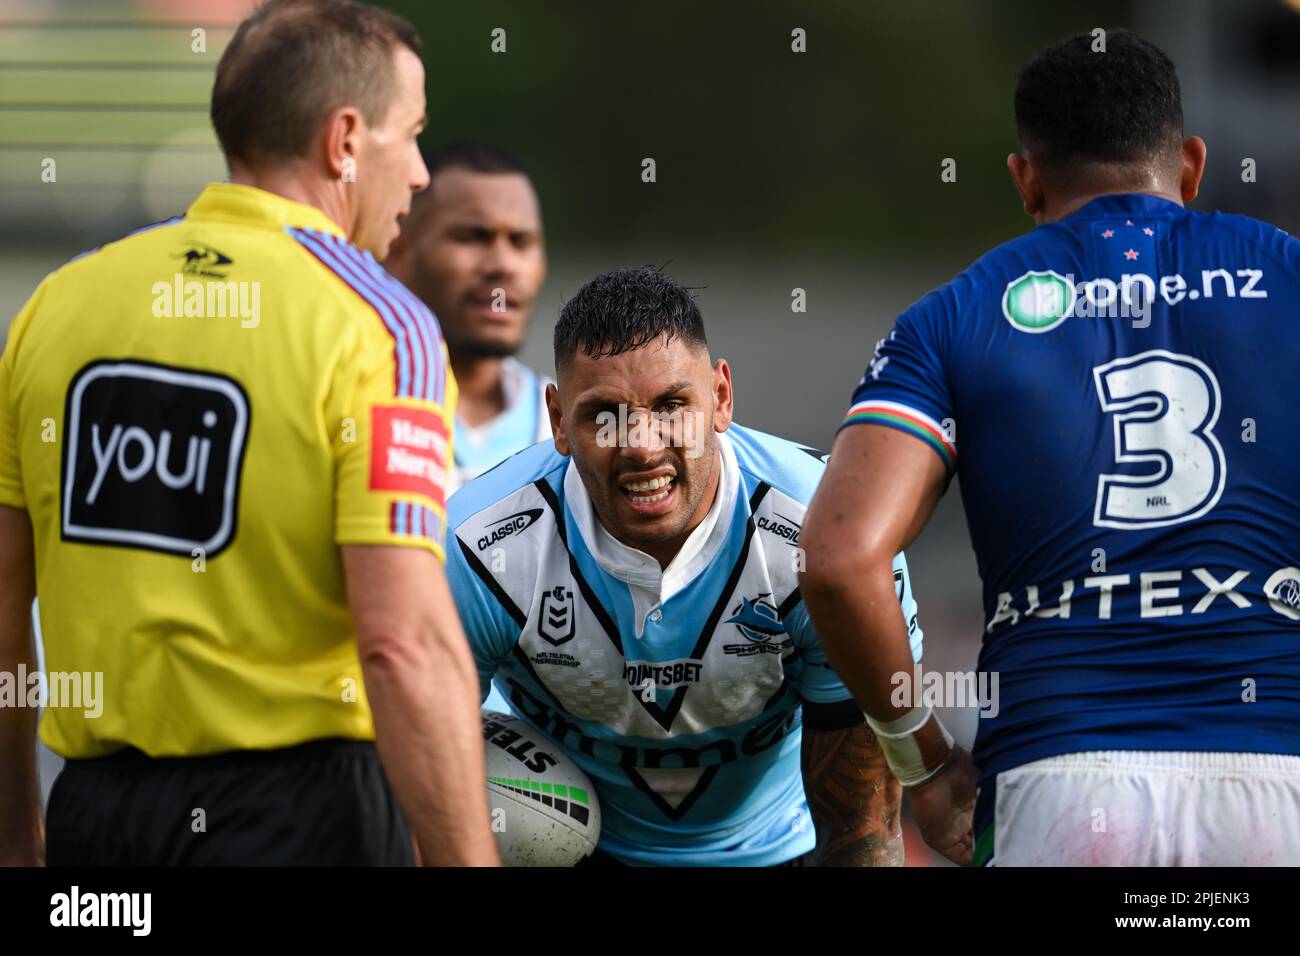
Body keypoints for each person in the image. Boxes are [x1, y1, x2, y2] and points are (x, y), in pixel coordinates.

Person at [0, 0, 497, 866]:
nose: (420, 173)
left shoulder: (58, 304)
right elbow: (402, 643)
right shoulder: (382, 328)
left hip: (94, 822)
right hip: (300, 820)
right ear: (344, 141)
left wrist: (14, 835)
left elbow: (5, 606)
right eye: (410, 135)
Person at [800, 30, 1300, 866]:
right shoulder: (1286, 277)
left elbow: (840, 556)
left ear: (1024, 178)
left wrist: (920, 764)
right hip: (1278, 772)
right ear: (1191, 166)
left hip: (1064, 781)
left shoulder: (954, 315)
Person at [446, 266, 924, 865]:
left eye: (673, 405)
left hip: (782, 850)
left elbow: (864, 828)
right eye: (603, 415)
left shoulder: (828, 538)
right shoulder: (478, 548)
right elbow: (419, 763)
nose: (643, 445)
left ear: (721, 396)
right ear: (558, 420)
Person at [386, 142, 550, 494]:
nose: (503, 266)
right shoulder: (354, 405)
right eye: (473, 237)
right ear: (397, 249)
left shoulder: (571, 428)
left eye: (521, 242)